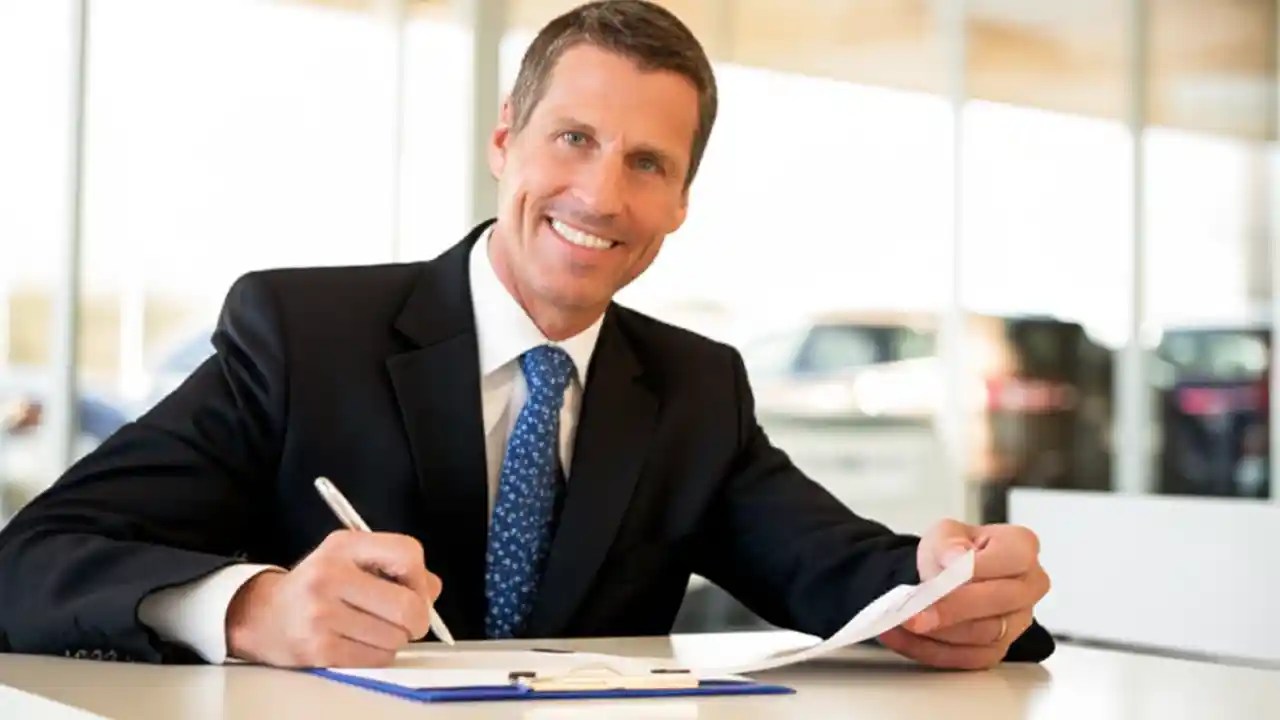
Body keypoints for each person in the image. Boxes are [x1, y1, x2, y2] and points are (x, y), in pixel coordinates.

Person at [0, 0, 1052, 670]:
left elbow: (844, 573)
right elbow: (32, 563)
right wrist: (252, 612)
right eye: (574, 139)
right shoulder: (301, 335)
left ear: (682, 199)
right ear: (505, 140)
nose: (600, 191)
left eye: (648, 162)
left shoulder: (693, 388)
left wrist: (956, 591)